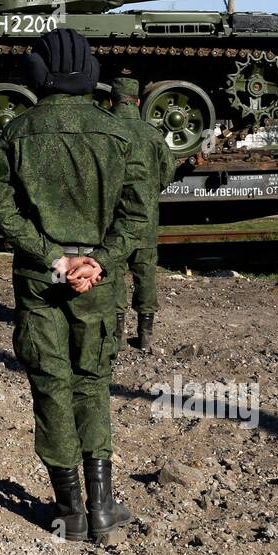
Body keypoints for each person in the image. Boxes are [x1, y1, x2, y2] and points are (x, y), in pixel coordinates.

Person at [0, 29, 149, 542]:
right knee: (93, 384)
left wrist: (56, 259)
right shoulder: (119, 135)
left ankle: (69, 511)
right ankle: (102, 509)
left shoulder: (16, 133)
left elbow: (3, 211)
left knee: (51, 386)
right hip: (97, 283)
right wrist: (97, 262)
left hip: (42, 277)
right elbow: (137, 215)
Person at [110, 76, 176, 353]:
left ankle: (117, 336)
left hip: (113, 219)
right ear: (137, 101)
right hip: (146, 217)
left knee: (113, 273)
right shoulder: (152, 134)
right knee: (145, 274)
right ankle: (145, 333)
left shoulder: (106, 130)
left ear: (112, 101)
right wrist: (149, 191)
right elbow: (167, 172)